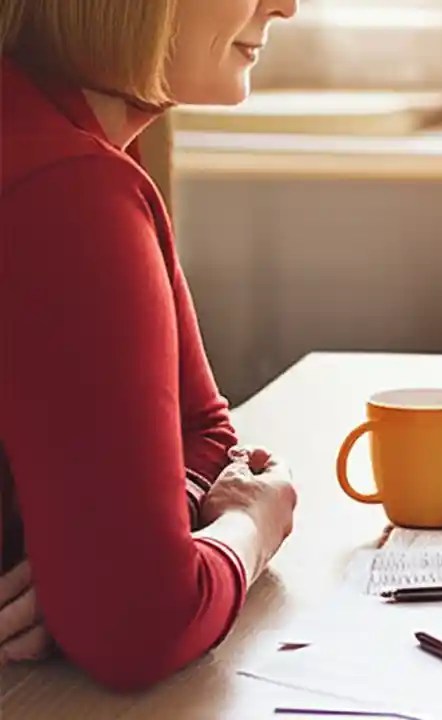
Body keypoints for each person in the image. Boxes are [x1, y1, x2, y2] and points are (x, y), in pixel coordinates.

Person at [0, 0, 300, 691]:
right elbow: (141, 626)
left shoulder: (66, 141)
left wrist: (96, 555)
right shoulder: (65, 190)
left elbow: (203, 432)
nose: (286, 5)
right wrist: (253, 525)